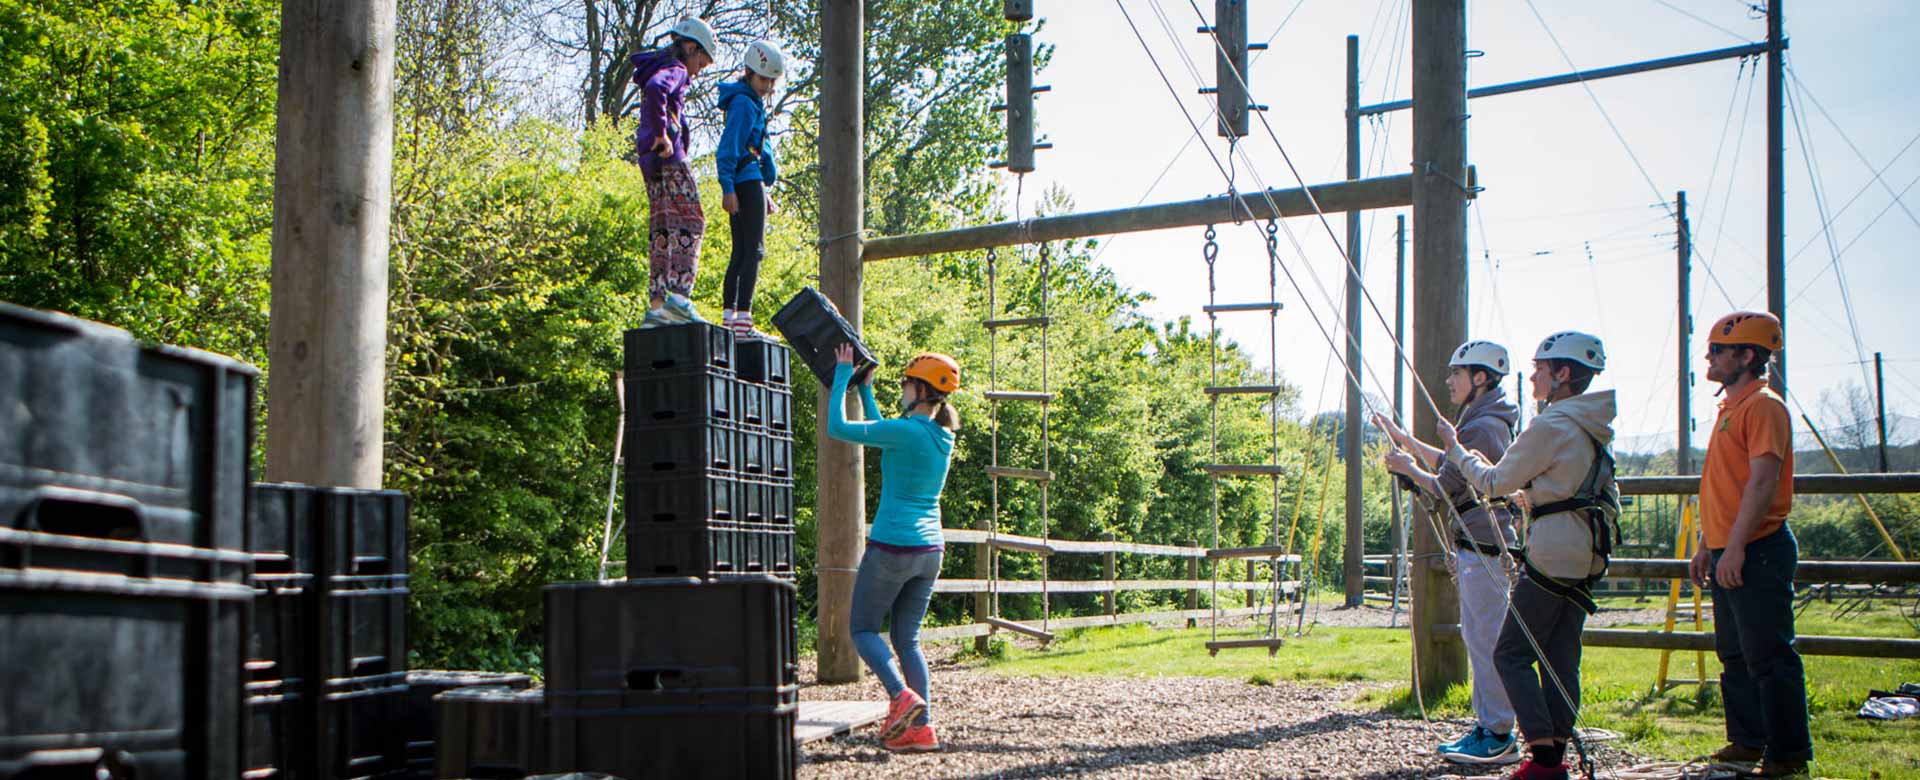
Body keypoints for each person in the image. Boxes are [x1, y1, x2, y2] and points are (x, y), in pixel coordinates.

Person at [1440, 331, 1618, 780]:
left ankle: (1541, 756)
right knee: (1560, 656)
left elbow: (1494, 480)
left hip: (1553, 556)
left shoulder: (1553, 424)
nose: (1533, 375)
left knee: (1511, 654)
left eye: (1540, 368)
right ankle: (1551, 758)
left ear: (1562, 374)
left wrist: (1458, 453)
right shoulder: (1591, 425)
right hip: (1586, 552)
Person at [1375, 340, 1522, 765]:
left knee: (1487, 640)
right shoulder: (1481, 420)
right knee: (1478, 637)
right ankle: (1489, 725)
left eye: (1456, 374)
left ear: (1480, 377)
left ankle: (1498, 732)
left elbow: (1446, 486)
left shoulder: (1484, 426)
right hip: (1478, 544)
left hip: (1485, 544)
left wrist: (1408, 469)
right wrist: (1409, 442)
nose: (1449, 381)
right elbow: (1452, 464)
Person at [1688, 311, 1810, 778]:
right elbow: (1727, 487)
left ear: (1747, 356)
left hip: (1757, 547)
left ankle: (1787, 753)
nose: (1709, 356)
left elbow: (1762, 483)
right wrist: (1708, 544)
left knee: (1769, 654)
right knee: (1735, 653)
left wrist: (1735, 548)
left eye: (1719, 349)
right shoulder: (1730, 408)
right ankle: (1747, 739)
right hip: (1729, 546)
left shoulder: (1763, 406)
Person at [825, 343, 962, 753]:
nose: (901, 387)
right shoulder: (939, 436)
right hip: (929, 551)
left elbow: (839, 428)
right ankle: (922, 727)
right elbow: (887, 434)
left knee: (863, 629)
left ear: (921, 390)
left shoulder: (907, 432)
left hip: (892, 546)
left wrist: (841, 376)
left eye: (905, 382)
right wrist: (865, 391)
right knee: (908, 640)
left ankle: (902, 697)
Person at [634, 18, 718, 327]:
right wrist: (662, 134)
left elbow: (654, 89)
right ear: (690, 48)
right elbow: (657, 89)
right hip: (668, 158)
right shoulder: (677, 69)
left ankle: (657, 308)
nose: (699, 69)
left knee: (662, 229)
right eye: (701, 61)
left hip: (650, 162)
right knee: (692, 220)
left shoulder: (662, 66)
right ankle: (680, 299)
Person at [716, 41, 785, 340]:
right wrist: (728, 186)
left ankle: (730, 318)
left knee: (742, 250)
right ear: (748, 73)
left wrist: (762, 189)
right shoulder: (744, 103)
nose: (767, 86)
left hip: (749, 180)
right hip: (744, 181)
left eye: (771, 80)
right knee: (753, 251)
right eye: (762, 79)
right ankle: (743, 319)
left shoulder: (749, 101)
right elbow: (729, 147)